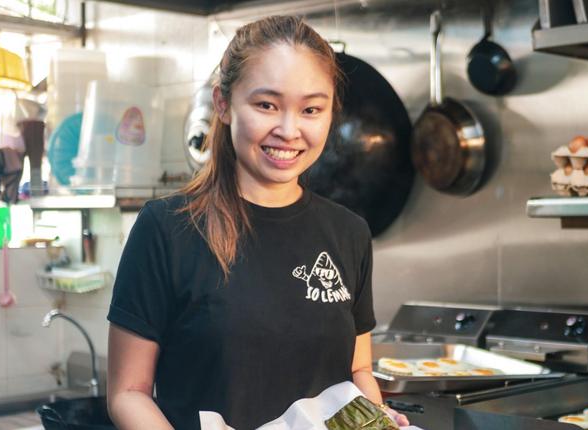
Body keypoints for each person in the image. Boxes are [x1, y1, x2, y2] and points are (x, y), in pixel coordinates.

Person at [106, 15, 409, 430]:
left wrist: (377, 420)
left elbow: (357, 372)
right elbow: (127, 392)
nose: (289, 130)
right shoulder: (166, 229)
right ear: (223, 105)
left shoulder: (349, 232)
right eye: (266, 105)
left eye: (310, 109)